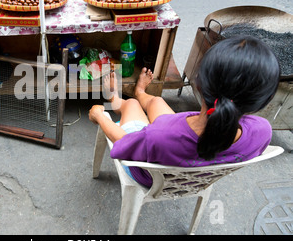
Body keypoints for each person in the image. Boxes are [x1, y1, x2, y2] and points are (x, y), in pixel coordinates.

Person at [88, 36, 280, 187]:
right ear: (264, 100)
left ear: (199, 84)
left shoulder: (159, 135)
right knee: (156, 101)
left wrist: (99, 115)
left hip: (150, 177)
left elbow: (123, 144)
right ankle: (140, 92)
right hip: (194, 180)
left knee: (132, 106)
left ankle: (114, 99)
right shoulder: (262, 132)